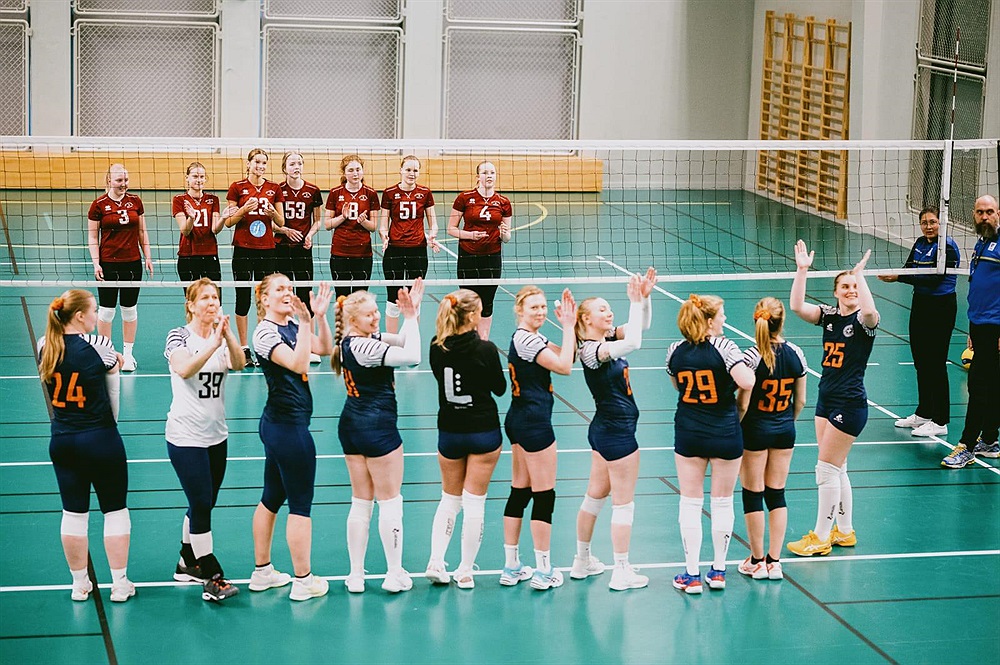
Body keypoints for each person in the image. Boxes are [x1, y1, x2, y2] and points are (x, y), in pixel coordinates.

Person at [37, 289, 134, 602]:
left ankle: (79, 584)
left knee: (74, 513)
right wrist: (115, 363)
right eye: (93, 311)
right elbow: (113, 396)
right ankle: (119, 584)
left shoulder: (44, 345)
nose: (97, 316)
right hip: (101, 438)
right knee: (115, 510)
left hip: (63, 440)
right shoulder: (101, 346)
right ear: (79, 316)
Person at [331, 279, 425, 594]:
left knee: (361, 502)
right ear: (354, 319)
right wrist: (411, 318)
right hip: (378, 426)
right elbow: (413, 356)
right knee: (389, 502)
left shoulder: (352, 340)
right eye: (370, 314)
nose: (376, 318)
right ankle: (394, 573)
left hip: (352, 425)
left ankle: (355, 575)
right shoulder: (368, 346)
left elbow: (403, 339)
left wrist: (413, 311)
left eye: (376, 312)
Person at [787, 240, 878, 556]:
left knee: (825, 469)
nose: (851, 290)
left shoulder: (863, 324)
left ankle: (821, 536)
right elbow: (797, 306)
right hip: (825, 400)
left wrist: (861, 275)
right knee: (838, 469)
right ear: (836, 292)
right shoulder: (829, 316)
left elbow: (870, 311)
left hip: (849, 405)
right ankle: (845, 531)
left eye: (854, 286)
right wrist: (802, 271)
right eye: (846, 286)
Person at [665, 294, 756, 594]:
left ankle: (691, 575)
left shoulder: (674, 351)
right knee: (722, 502)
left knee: (690, 501)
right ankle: (717, 571)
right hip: (724, 431)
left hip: (689, 431)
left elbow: (677, 385)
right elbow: (747, 382)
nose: (725, 320)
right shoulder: (726, 347)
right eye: (722, 315)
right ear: (708, 320)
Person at [249, 274, 333, 601]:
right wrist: (307, 322)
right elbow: (300, 363)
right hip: (288, 428)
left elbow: (323, 349)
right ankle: (303, 580)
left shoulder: (292, 326)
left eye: (289, 288)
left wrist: (318, 318)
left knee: (271, 497)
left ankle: (262, 573)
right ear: (264, 300)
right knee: (300, 505)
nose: (287, 293)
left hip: (281, 426)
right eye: (279, 290)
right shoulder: (265, 332)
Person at [573, 269, 655, 591]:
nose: (609, 313)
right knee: (624, 503)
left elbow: (641, 327)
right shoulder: (591, 351)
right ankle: (621, 570)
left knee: (595, 496)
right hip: (617, 433)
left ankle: (582, 561)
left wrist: (643, 299)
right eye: (602, 310)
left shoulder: (605, 339)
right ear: (586, 320)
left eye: (610, 308)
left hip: (604, 430)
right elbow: (634, 342)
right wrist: (634, 300)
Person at [165, 278, 245, 602]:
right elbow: (184, 369)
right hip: (185, 436)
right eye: (206, 298)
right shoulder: (178, 336)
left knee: (205, 503)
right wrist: (212, 344)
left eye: (216, 298)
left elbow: (239, 364)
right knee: (200, 503)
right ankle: (212, 577)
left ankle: (186, 561)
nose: (212, 303)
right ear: (191, 305)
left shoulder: (221, 337)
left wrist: (226, 336)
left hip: (216, 436)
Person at [426, 290, 507, 589]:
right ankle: (465, 570)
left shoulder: (437, 347)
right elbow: (499, 389)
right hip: (483, 430)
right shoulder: (486, 349)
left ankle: (436, 560)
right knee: (475, 503)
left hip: (450, 430)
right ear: (473, 316)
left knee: (449, 499)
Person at [500, 286, 576, 590]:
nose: (541, 312)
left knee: (520, 490)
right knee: (545, 495)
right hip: (534, 423)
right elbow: (564, 367)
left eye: (543, 307)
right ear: (520, 311)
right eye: (534, 308)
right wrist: (569, 327)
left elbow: (563, 351)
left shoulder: (529, 338)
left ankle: (511, 565)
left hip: (518, 420)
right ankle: (544, 571)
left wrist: (577, 330)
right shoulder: (528, 340)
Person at [735, 297, 807, 581]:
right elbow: (800, 400)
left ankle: (756, 561)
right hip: (783, 430)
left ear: (757, 321)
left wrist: (736, 428)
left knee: (752, 494)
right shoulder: (796, 354)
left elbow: (742, 403)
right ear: (782, 322)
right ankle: (774, 562)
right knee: (777, 493)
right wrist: (787, 422)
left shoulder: (750, 357)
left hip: (754, 430)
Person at [879, 205, 960, 437]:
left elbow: (933, 279)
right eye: (924, 223)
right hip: (921, 305)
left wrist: (897, 279)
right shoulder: (920, 243)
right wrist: (895, 273)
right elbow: (908, 269)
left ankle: (941, 421)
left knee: (935, 363)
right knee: (921, 361)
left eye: (932, 222)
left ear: (941, 223)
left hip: (941, 307)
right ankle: (924, 412)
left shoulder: (947, 247)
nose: (928, 227)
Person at [942, 194, 1000, 467]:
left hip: (995, 327)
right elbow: (980, 288)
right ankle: (989, 439)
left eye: (989, 211)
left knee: (978, 386)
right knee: (991, 385)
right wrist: (971, 326)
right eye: (980, 212)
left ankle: (967, 445)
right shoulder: (981, 243)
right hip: (980, 324)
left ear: (998, 214)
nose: (984, 216)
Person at [87, 163, 153, 372]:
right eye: (119, 180)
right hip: (108, 263)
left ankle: (128, 355)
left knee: (129, 309)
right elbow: (92, 236)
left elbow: (142, 231)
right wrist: (96, 262)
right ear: (109, 181)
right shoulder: (98, 205)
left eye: (125, 180)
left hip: (132, 263)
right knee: (106, 311)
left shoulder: (135, 201)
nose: (123, 184)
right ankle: (106, 354)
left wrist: (148, 257)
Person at [224, 148, 285, 368]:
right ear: (248, 163)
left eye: (263, 163)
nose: (260, 166)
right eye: (256, 162)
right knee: (242, 297)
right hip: (242, 249)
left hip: (266, 250)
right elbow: (229, 222)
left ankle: (261, 345)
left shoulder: (274, 188)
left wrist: (272, 214)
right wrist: (243, 209)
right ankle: (243, 348)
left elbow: (281, 222)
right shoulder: (237, 187)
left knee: (263, 299)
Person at [447, 161, 512, 340]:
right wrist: (469, 235)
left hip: (492, 258)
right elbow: (451, 229)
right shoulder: (464, 198)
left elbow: (507, 238)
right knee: (466, 301)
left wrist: (505, 234)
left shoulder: (504, 202)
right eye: (485, 172)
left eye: (492, 172)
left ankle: (482, 343)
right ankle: (465, 339)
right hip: (468, 255)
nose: (489, 176)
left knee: (487, 303)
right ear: (478, 177)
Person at [379, 155, 440, 334]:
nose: (411, 173)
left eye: (415, 170)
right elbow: (383, 224)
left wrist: (432, 235)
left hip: (418, 250)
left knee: (415, 297)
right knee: (393, 297)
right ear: (401, 170)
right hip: (394, 250)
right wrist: (384, 236)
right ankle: (391, 340)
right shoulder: (389, 193)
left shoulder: (425, 193)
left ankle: (412, 341)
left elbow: (433, 223)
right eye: (408, 169)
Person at [324, 155, 380, 299]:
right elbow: (327, 224)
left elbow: (373, 226)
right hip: (339, 253)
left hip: (363, 254)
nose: (355, 173)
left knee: (360, 298)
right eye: (350, 170)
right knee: (341, 297)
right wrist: (343, 217)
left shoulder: (371, 193)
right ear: (344, 173)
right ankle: (341, 322)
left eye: (358, 169)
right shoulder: (335, 193)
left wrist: (363, 221)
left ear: (362, 171)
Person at [275, 152, 324, 312]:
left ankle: (307, 334)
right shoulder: (277, 189)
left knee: (305, 295)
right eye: (292, 164)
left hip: (303, 248)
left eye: (299, 164)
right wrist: (285, 230)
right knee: (284, 294)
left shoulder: (313, 190)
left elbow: (317, 220)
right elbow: (272, 222)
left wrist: (310, 235)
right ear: (284, 168)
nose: (297, 167)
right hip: (282, 247)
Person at [173, 162, 223, 289]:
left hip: (210, 254)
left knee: (215, 296)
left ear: (205, 178)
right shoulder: (179, 200)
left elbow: (215, 229)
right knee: (192, 299)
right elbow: (185, 231)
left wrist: (224, 217)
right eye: (195, 176)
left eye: (201, 177)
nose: (199, 180)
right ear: (187, 178)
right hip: (188, 255)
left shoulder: (213, 199)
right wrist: (191, 218)